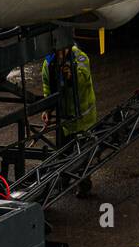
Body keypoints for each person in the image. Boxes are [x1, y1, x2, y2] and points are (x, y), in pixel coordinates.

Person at [40, 44, 98, 196]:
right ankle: (64, 180)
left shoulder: (80, 57)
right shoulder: (48, 63)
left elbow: (84, 79)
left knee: (83, 155)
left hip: (82, 119)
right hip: (64, 120)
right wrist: (48, 109)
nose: (58, 54)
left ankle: (84, 183)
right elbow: (47, 86)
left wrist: (72, 75)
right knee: (63, 152)